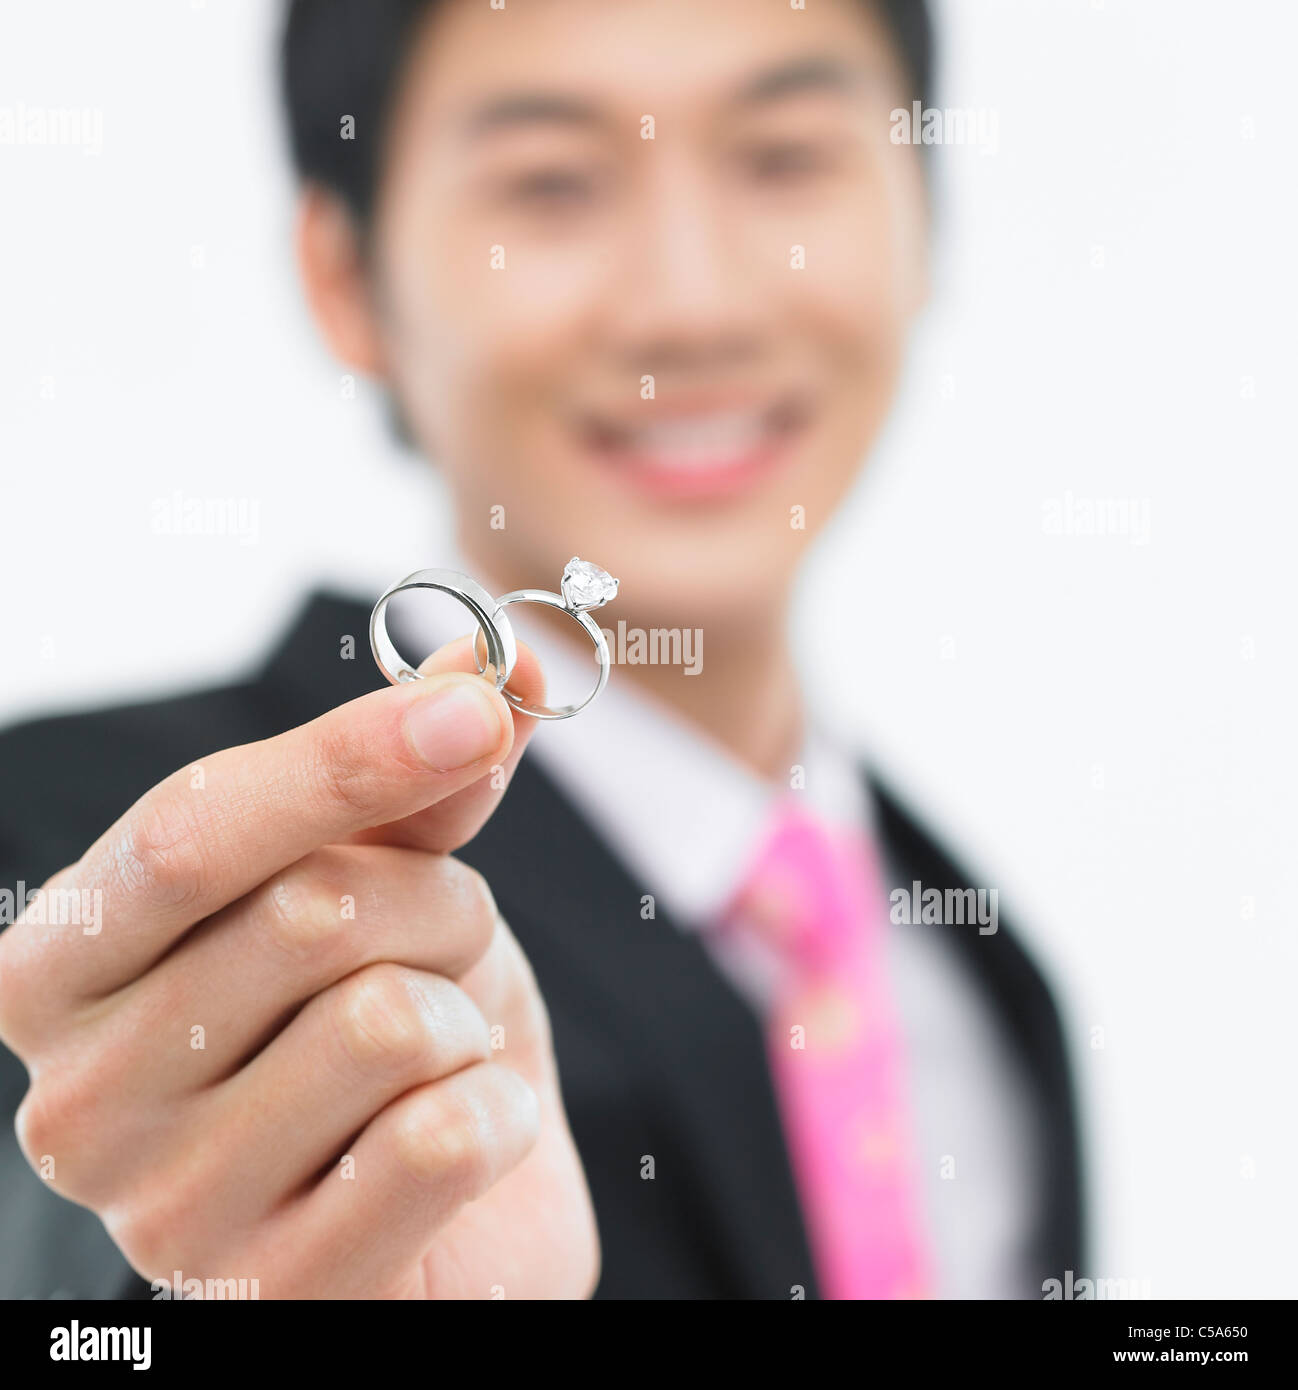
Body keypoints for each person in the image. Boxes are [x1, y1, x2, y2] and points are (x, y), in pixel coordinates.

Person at [0, 0, 1083, 1299]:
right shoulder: (77, 850)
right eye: (551, 183)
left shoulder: (977, 974)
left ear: (924, 220)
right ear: (348, 279)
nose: (691, 302)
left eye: (785, 156)